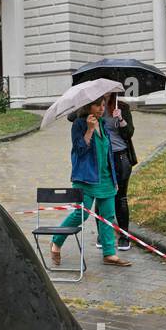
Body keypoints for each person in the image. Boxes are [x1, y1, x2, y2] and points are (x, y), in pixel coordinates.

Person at [51, 97, 131, 268]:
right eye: (98, 105)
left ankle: (109, 254)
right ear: (88, 106)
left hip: (106, 178)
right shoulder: (79, 124)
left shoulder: (103, 124)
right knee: (81, 214)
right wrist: (89, 130)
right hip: (86, 178)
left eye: (103, 105)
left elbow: (108, 153)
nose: (102, 109)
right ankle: (56, 242)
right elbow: (79, 150)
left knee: (108, 216)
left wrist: (114, 179)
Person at [103, 92, 137, 251]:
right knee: (101, 196)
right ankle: (103, 234)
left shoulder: (121, 107)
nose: (105, 92)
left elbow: (129, 133)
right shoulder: (93, 107)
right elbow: (71, 118)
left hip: (120, 157)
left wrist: (121, 119)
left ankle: (124, 236)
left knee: (120, 197)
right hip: (102, 158)